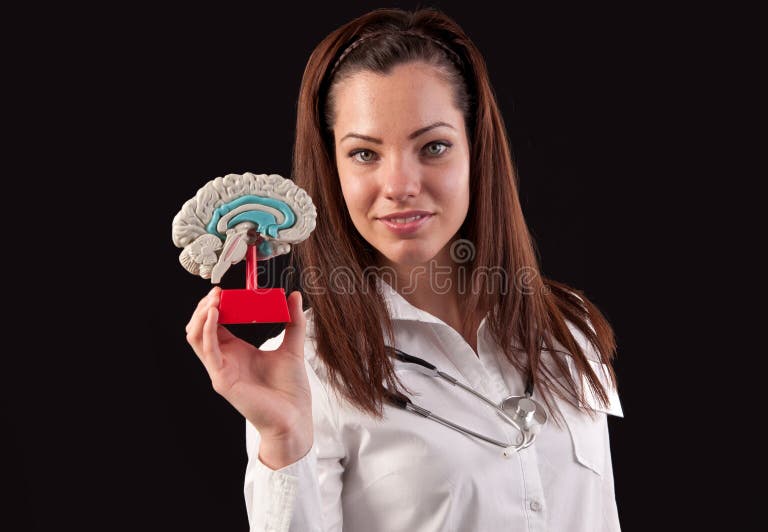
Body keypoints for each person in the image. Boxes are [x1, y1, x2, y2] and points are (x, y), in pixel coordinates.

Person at [185, 7, 623, 531]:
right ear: (333, 169)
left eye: (433, 147)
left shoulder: (569, 330)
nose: (399, 185)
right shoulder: (306, 369)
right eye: (364, 154)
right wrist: (284, 438)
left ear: (475, 151)